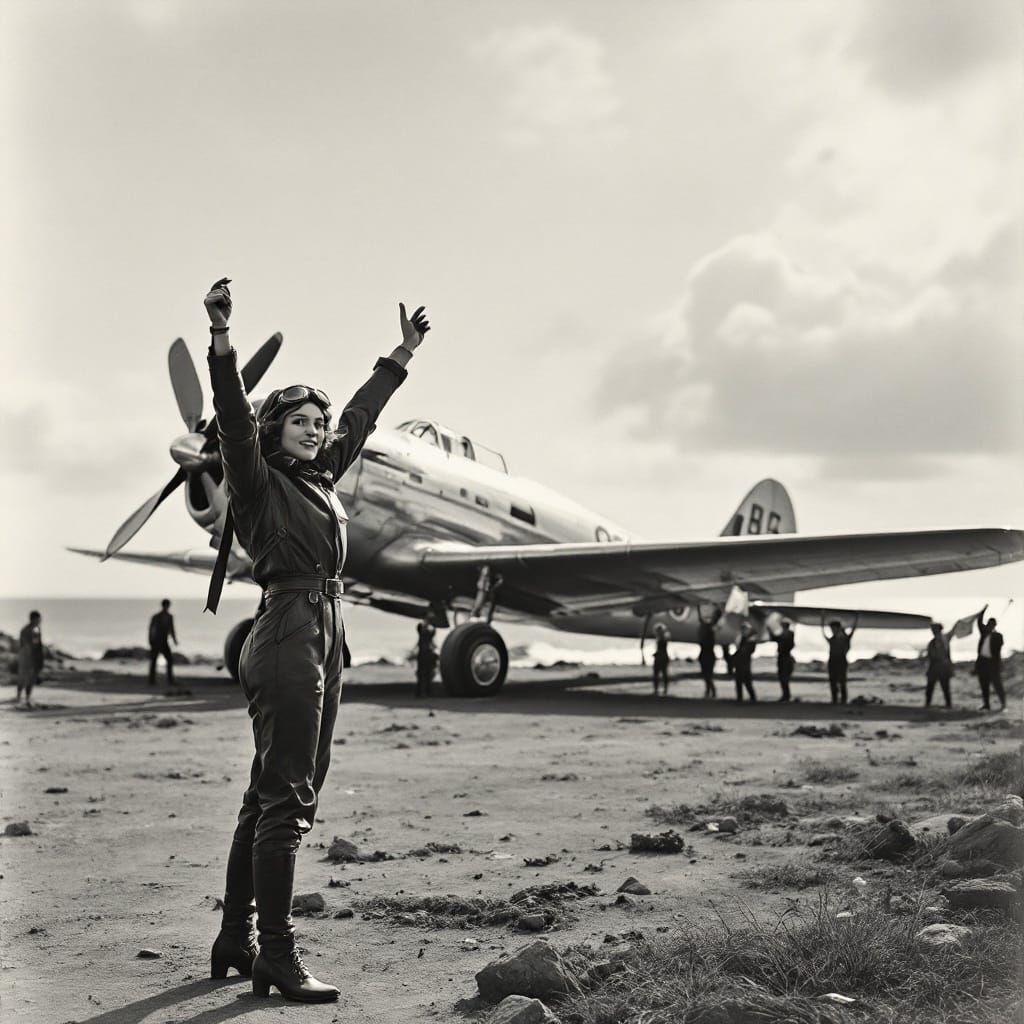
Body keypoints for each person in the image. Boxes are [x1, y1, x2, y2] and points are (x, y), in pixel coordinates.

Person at [204, 277, 430, 1003]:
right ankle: (277, 954)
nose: (313, 428)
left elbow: (360, 417)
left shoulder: (323, 475)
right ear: (273, 430)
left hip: (324, 633)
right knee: (288, 802)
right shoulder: (257, 480)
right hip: (288, 633)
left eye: (317, 421)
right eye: (298, 420)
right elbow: (233, 419)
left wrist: (400, 355)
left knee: (266, 794)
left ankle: (236, 937)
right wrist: (222, 341)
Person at [975, 605, 1005, 712]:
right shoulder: (984, 633)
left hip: (993, 664)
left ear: (994, 626)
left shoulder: (998, 636)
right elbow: (979, 621)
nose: (989, 626)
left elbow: (999, 645)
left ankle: (1003, 705)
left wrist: (993, 633)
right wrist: (983, 610)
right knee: (984, 685)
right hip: (982, 663)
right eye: (988, 624)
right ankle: (986, 705)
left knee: (997, 685)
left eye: (992, 625)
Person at [823, 615, 857, 705]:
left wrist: (856, 617)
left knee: (842, 680)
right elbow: (823, 633)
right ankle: (835, 699)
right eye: (831, 629)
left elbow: (853, 630)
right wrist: (822, 618)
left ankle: (843, 699)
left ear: (838, 628)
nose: (832, 630)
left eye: (833, 628)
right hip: (833, 660)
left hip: (841, 660)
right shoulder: (833, 639)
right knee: (833, 680)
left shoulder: (845, 638)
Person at [148, 599, 178, 687]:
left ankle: (170, 679)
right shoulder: (156, 617)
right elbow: (151, 629)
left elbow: (172, 629)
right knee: (154, 660)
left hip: (164, 641)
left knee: (169, 660)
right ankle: (152, 680)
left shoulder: (170, 617)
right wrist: (150, 640)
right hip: (156, 641)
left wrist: (174, 640)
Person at [17, 610, 44, 708]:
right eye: (39, 619)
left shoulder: (31, 629)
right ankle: (24, 697)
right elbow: (31, 645)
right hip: (28, 656)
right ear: (34, 619)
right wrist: (35, 658)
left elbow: (36, 644)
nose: (40, 621)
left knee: (27, 677)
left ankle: (23, 697)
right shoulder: (30, 630)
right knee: (28, 677)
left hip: (28, 655)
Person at [924, 623, 953, 710]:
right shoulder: (935, 641)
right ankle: (928, 704)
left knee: (944, 687)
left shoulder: (942, 641)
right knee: (931, 687)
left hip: (941, 667)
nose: (933, 632)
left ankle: (948, 704)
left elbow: (945, 655)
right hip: (935, 666)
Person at [696, 607, 720, 698]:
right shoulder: (707, 631)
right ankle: (710, 691)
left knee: (707, 675)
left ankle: (711, 691)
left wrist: (698, 608)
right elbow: (702, 620)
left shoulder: (707, 632)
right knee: (706, 675)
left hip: (707, 656)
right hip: (706, 655)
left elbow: (711, 620)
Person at [415, 612, 438, 698]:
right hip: (425, 653)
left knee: (426, 674)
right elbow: (421, 628)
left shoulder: (427, 630)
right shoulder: (424, 629)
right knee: (423, 674)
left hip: (426, 653)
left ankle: (425, 692)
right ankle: (423, 692)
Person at [733, 626, 757, 703]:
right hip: (742, 663)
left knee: (746, 682)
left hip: (744, 663)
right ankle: (741, 697)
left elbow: (744, 650)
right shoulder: (744, 639)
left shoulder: (749, 641)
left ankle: (751, 697)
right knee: (740, 682)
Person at [774, 619, 795, 702]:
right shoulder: (784, 635)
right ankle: (786, 695)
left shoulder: (788, 634)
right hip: (783, 657)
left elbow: (788, 644)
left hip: (785, 658)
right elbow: (775, 638)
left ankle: (786, 695)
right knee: (782, 678)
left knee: (784, 678)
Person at [652, 623, 671, 696]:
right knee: (662, 674)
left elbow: (661, 649)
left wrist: (656, 654)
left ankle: (658, 689)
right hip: (663, 657)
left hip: (661, 658)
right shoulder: (663, 638)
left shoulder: (661, 639)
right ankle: (663, 689)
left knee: (658, 674)